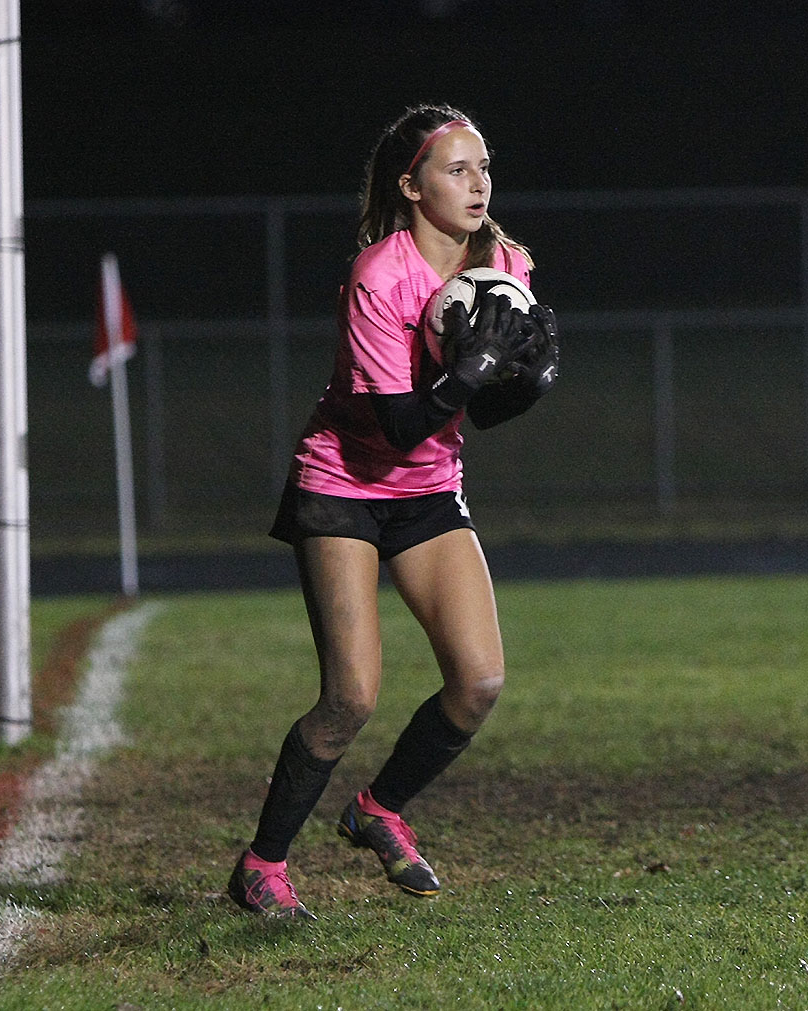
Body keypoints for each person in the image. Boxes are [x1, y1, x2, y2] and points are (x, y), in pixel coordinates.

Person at [227, 103, 560, 920]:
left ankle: (378, 808)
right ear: (412, 186)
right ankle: (261, 864)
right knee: (351, 697)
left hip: (426, 490)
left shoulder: (504, 262)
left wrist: (526, 383)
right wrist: (468, 373)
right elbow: (395, 423)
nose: (478, 183)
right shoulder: (379, 273)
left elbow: (474, 416)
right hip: (342, 483)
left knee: (479, 679)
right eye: (457, 169)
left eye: (483, 167)